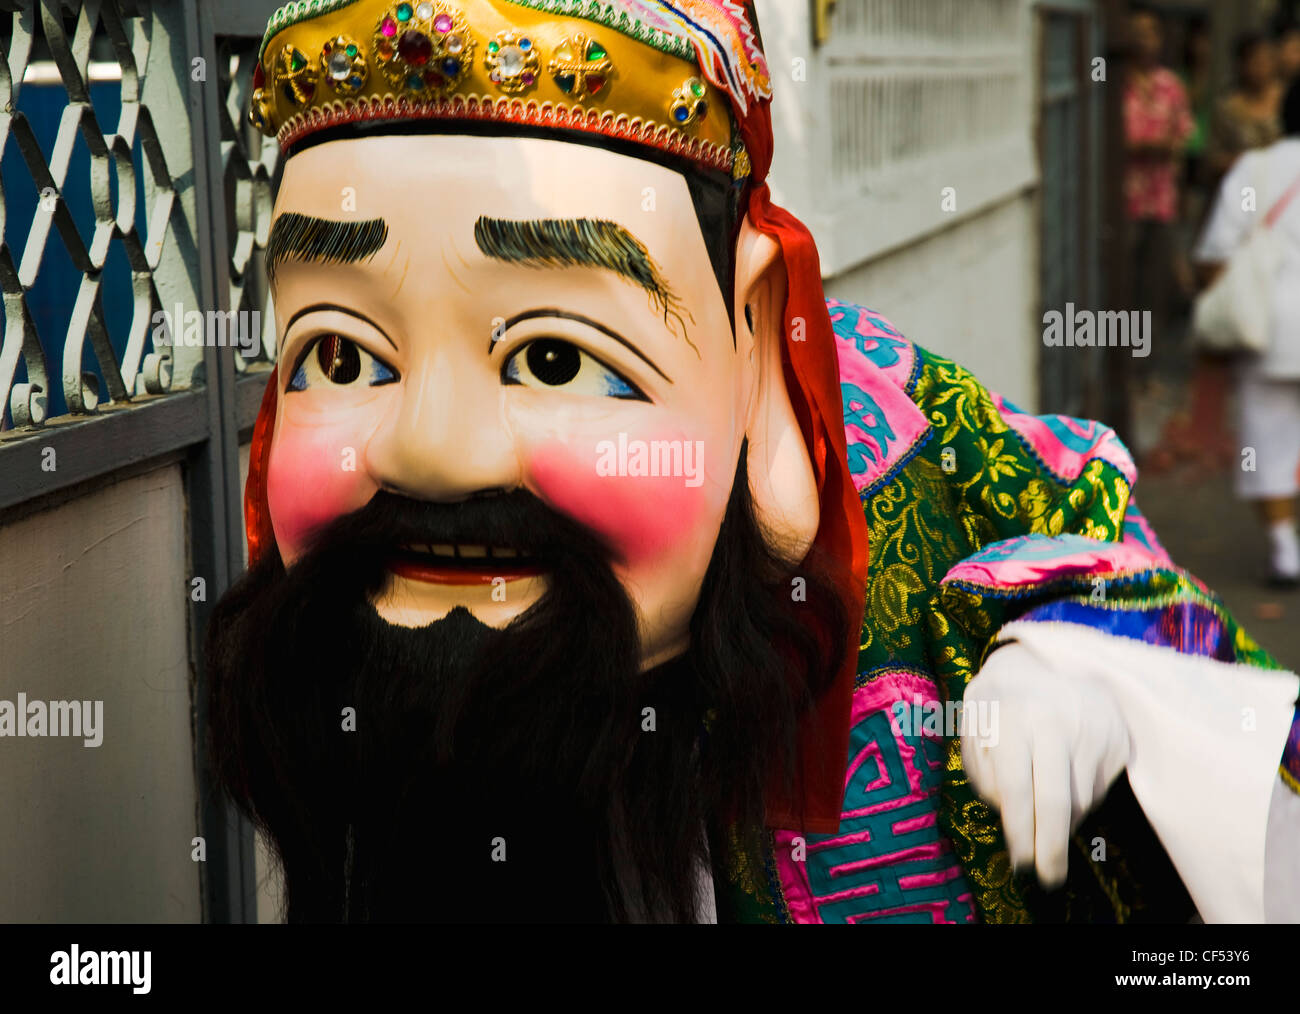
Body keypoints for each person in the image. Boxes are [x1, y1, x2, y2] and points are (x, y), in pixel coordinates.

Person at [207, 0, 1300, 924]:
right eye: (344, 356)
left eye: (551, 358)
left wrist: (1100, 670)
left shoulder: (906, 453)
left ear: (751, 327)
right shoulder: (352, 653)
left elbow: (1126, 568)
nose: (431, 451)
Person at [1195, 80, 1300, 587]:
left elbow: (1216, 254)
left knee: (1269, 438)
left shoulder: (1254, 169)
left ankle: (1285, 551)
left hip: (1268, 328)